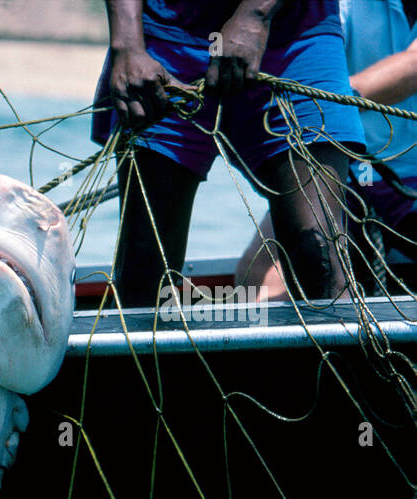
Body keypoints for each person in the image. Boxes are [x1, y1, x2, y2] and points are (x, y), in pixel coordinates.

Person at [94, 0, 365, 307]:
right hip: (168, 36)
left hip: (292, 37)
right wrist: (126, 44)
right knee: (144, 258)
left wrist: (255, 14)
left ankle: (341, 352)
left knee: (317, 251)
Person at [238, 0, 417, 299]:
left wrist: (319, 100)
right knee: (256, 276)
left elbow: (412, 66)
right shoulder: (347, 4)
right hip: (355, 175)